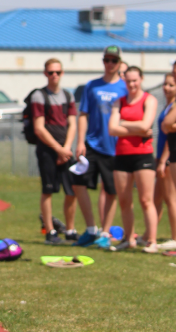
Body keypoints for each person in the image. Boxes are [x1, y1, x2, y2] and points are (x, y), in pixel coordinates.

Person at [71, 46, 128, 248]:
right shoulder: (92, 86)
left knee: (111, 190)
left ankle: (105, 232)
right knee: (78, 183)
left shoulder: (125, 88)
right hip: (92, 143)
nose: (110, 64)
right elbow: (83, 114)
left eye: (114, 60)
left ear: (120, 63)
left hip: (114, 147)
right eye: (107, 60)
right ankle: (91, 229)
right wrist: (79, 141)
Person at [108, 66, 159, 252]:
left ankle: (151, 240)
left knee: (146, 200)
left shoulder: (149, 100)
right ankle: (128, 239)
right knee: (124, 200)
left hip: (143, 154)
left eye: (135, 80)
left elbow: (147, 124)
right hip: (122, 155)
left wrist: (124, 123)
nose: (132, 84)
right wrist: (136, 128)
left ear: (141, 79)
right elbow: (112, 129)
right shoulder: (119, 102)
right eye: (128, 81)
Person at [28, 58, 78, 244]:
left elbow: (72, 123)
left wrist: (66, 148)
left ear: (62, 73)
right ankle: (50, 231)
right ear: (45, 74)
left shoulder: (68, 96)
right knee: (48, 190)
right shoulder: (39, 96)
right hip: (47, 150)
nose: (54, 76)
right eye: (50, 72)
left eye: (57, 72)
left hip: (66, 149)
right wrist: (57, 149)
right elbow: (39, 128)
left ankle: (71, 230)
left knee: (71, 190)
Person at [154, 72, 176, 250]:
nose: (167, 88)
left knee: (171, 199)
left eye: (171, 85)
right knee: (157, 198)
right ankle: (150, 235)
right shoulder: (168, 106)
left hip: (168, 157)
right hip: (161, 155)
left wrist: (163, 160)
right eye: (165, 84)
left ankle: (175, 238)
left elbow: (169, 132)